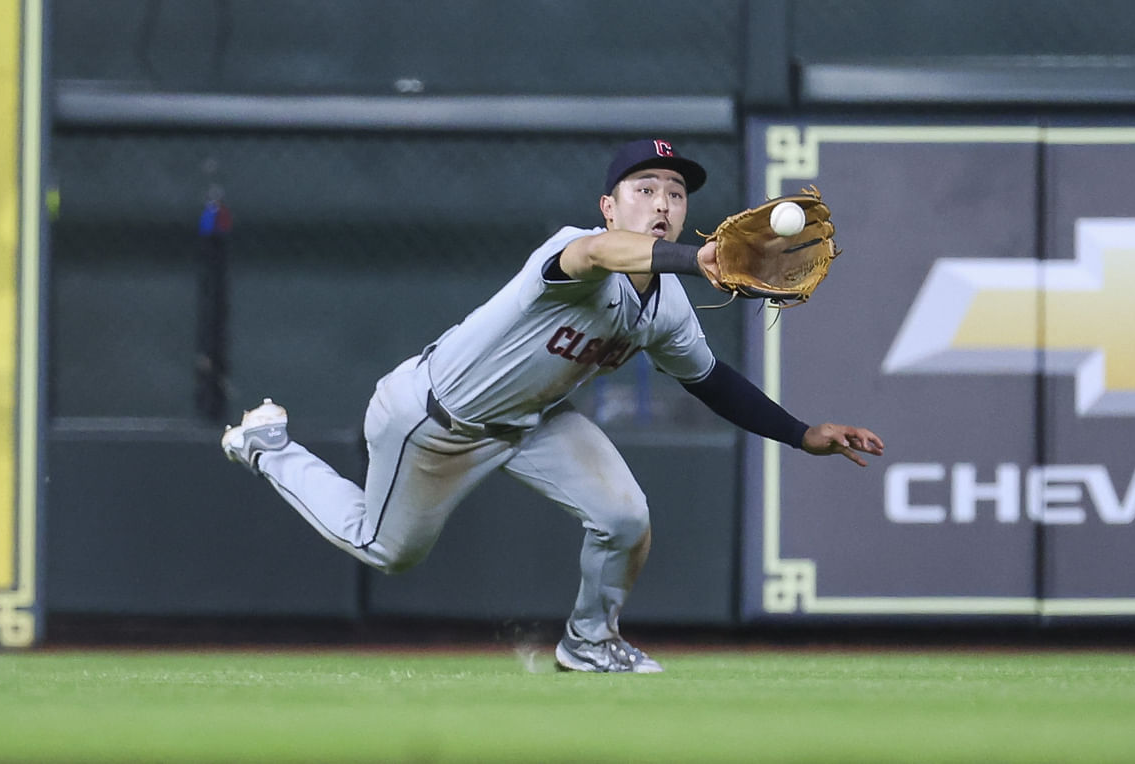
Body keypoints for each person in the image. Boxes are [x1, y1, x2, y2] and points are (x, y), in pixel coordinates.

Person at [221, 138, 884, 673]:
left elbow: (710, 381)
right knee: (387, 551)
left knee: (624, 516)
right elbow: (600, 253)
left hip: (533, 422)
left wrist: (801, 433)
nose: (662, 201)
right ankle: (268, 448)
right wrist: (695, 257)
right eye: (644, 189)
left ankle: (591, 642)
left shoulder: (667, 308)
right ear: (609, 206)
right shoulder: (576, 248)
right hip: (434, 420)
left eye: (676, 193)